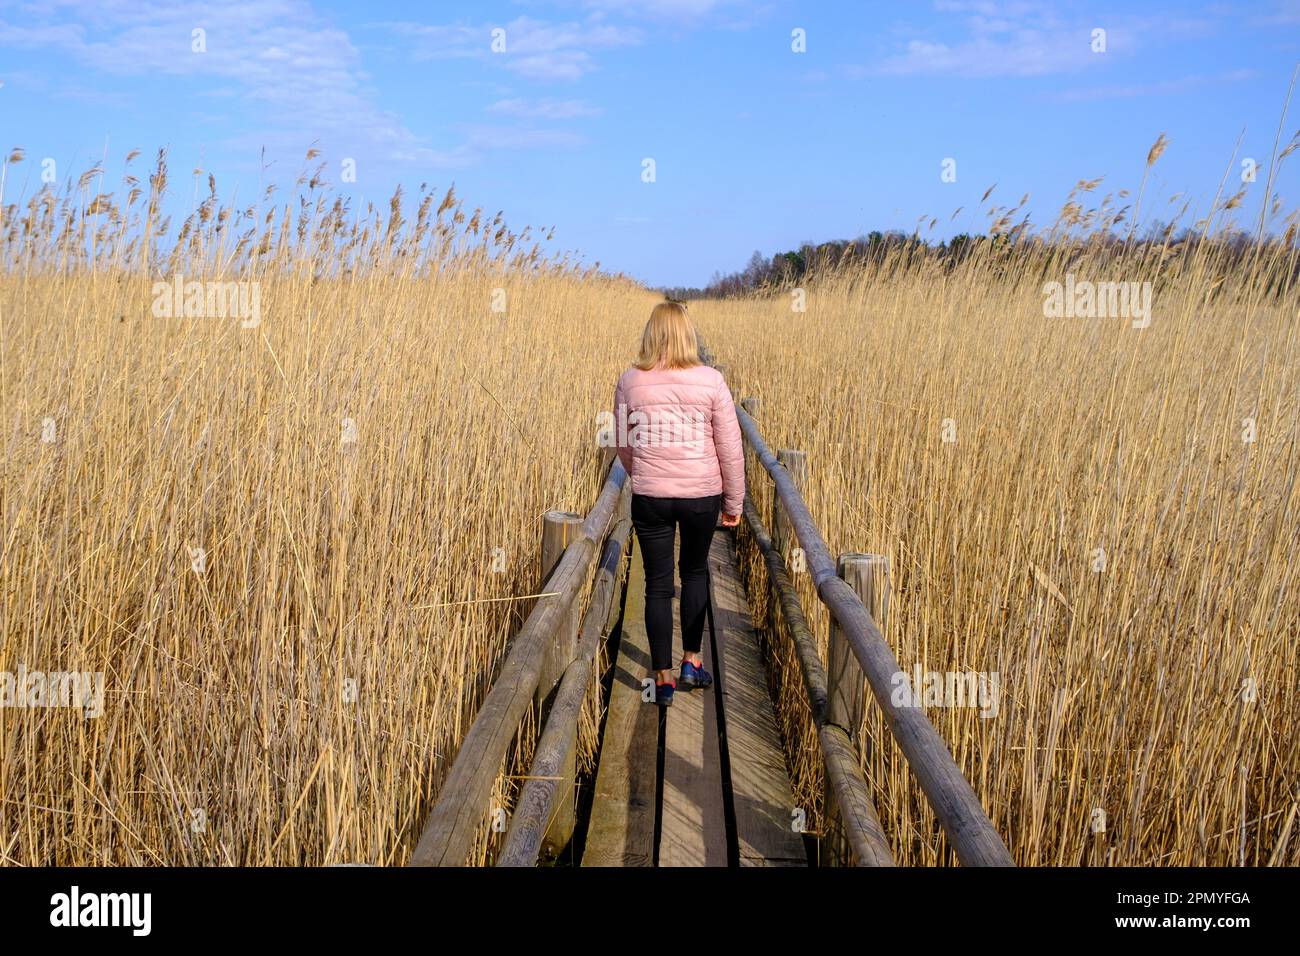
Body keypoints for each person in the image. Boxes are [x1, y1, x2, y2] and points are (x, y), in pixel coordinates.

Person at [611, 301, 745, 707]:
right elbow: (730, 447)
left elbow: (622, 442)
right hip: (701, 496)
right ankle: (691, 660)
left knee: (656, 584)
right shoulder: (711, 381)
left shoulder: (630, 380)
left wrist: (645, 475)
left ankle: (663, 679)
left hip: (651, 497)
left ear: (652, 335)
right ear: (688, 334)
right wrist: (733, 501)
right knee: (695, 572)